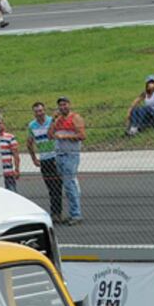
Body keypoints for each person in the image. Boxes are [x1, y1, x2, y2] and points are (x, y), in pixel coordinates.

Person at [51, 96, 85, 225]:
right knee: (67, 184)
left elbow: (82, 135)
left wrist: (65, 136)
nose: (62, 107)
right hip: (59, 154)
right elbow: (50, 135)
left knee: (69, 184)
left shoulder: (75, 118)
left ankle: (76, 214)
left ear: (69, 105)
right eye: (60, 105)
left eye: (65, 104)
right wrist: (52, 121)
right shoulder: (58, 120)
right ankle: (73, 212)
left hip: (71, 154)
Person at [27, 100, 63, 221]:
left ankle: (57, 212)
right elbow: (29, 143)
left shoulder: (51, 121)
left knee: (58, 186)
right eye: (37, 111)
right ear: (34, 113)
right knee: (50, 187)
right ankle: (55, 213)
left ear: (44, 111)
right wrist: (34, 158)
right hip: (44, 159)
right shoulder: (32, 125)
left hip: (55, 156)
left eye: (41, 110)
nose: (39, 113)